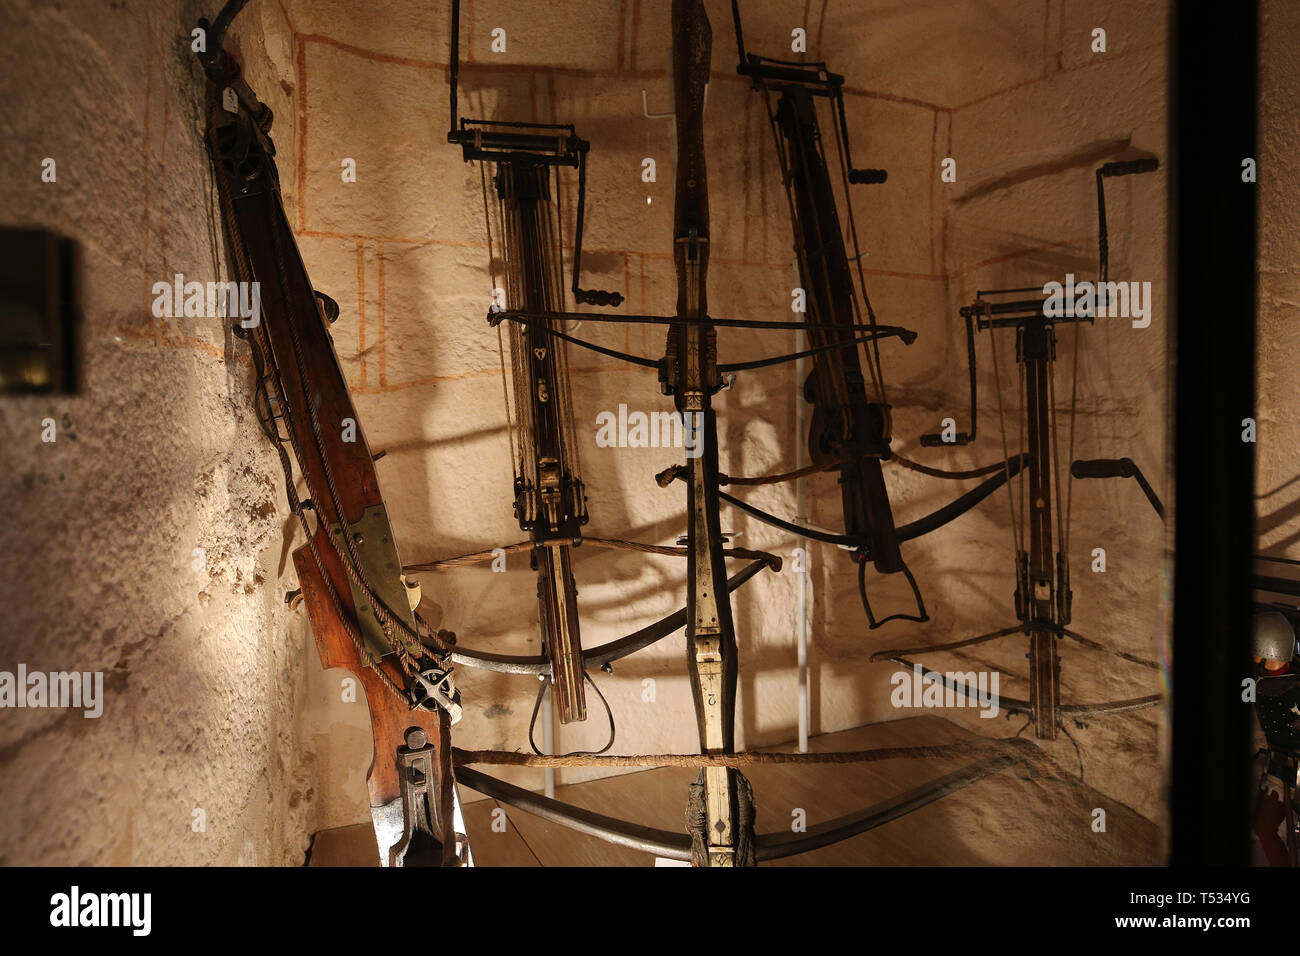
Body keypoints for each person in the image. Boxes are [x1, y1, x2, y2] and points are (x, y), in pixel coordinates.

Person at [1252, 610, 1300, 866]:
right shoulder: (1256, 680)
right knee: (1264, 828)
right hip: (1278, 768)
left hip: (1295, 769)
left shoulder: (1291, 685)